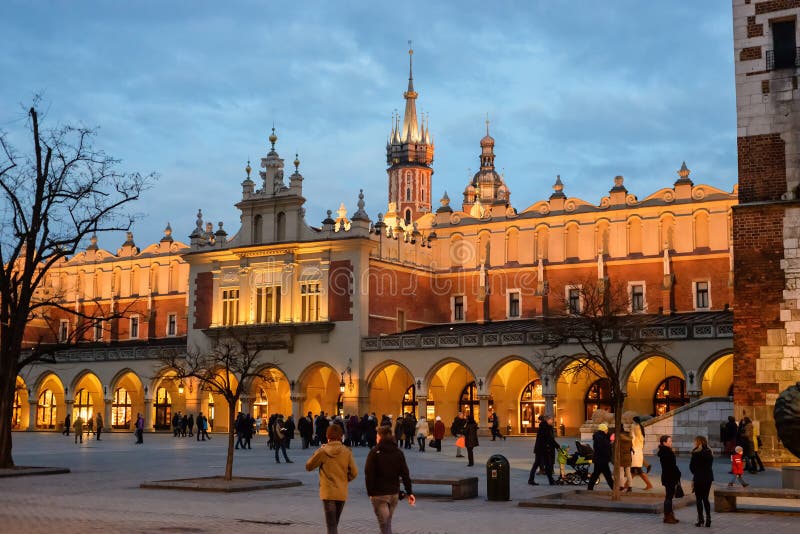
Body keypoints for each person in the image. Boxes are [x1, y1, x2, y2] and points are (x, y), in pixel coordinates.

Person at [305, 424, 358, 534]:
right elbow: (354, 472)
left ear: (327, 436)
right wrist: (344, 480)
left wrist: (318, 450)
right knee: (334, 524)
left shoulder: (323, 451)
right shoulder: (346, 452)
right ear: (341, 436)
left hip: (328, 492)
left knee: (331, 525)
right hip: (341, 492)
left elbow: (309, 466)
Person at [365, 425, 415, 534]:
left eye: (377, 436)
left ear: (380, 437)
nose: (376, 438)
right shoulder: (398, 453)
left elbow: (369, 474)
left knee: (385, 525)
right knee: (386, 524)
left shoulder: (374, 453)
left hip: (379, 495)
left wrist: (370, 492)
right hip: (393, 494)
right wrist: (409, 492)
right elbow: (405, 474)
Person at [689, 435, 714, 528]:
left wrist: (696, 473)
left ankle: (700, 520)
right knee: (706, 498)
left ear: (698, 442)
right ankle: (708, 519)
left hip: (699, 478)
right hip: (708, 478)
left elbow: (691, 468)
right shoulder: (709, 452)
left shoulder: (695, 453)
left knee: (699, 499)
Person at [658, 434, 682, 524]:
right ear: (664, 443)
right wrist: (678, 473)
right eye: (669, 441)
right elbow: (671, 466)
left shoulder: (665, 451)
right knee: (668, 497)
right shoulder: (666, 452)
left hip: (668, 476)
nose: (671, 442)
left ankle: (670, 515)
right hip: (669, 477)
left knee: (669, 497)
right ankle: (668, 516)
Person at [529, 415, 558, 485]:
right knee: (539, 464)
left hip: (541, 449)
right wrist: (557, 446)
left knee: (542, 464)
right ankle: (531, 480)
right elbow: (550, 438)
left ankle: (550, 480)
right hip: (542, 449)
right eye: (551, 420)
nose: (552, 421)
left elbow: (549, 438)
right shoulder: (546, 427)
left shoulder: (544, 426)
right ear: (548, 420)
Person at [587, 423, 614, 490]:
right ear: (603, 430)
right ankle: (614, 488)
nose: (607, 430)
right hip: (602, 459)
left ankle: (590, 488)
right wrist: (610, 443)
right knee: (607, 475)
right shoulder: (600, 437)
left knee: (596, 474)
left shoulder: (600, 436)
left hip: (599, 459)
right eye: (606, 429)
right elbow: (603, 447)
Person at [631, 416, 653, 490]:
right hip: (638, 449)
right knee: (634, 471)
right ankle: (626, 486)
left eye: (632, 420)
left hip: (635, 450)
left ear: (634, 421)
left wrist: (631, 446)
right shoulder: (641, 427)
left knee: (637, 470)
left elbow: (633, 437)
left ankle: (625, 486)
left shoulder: (635, 427)